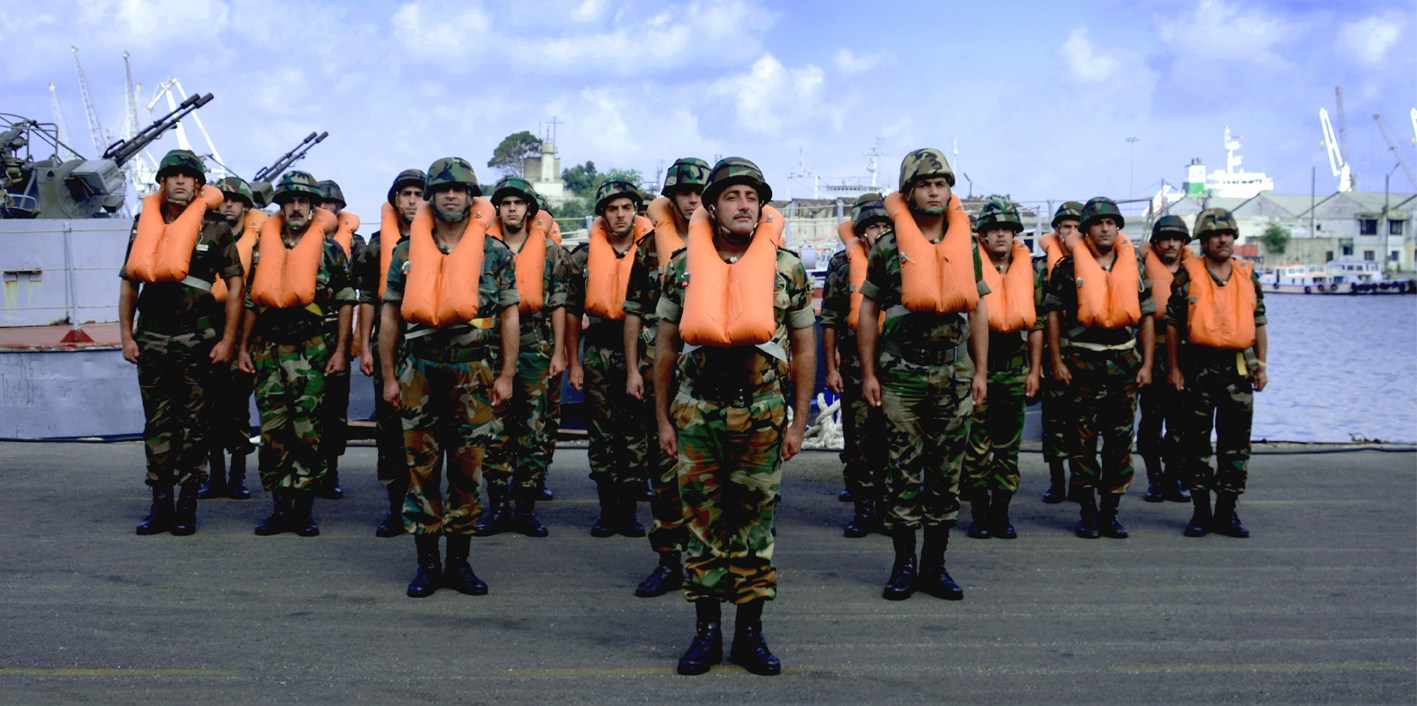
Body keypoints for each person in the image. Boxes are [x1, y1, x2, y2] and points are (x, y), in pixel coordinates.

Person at [653, 157, 813, 676]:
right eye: (731, 196)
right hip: (697, 413)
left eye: (751, 197)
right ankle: (705, 634)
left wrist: (797, 422)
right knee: (699, 528)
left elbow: (805, 352)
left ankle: (750, 636)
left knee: (753, 528)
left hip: (762, 415)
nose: (744, 205)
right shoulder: (682, 266)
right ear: (711, 206)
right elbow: (662, 350)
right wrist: (662, 421)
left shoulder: (787, 266)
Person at [377, 157, 518, 598]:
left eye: (460, 189)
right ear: (432, 198)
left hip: (473, 369)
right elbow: (389, 317)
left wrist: (507, 375)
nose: (451, 195)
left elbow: (510, 314)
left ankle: (459, 562)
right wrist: (388, 377)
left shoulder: (494, 252)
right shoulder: (405, 251)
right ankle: (426, 565)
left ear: (471, 197)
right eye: (443, 189)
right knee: (420, 468)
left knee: (466, 469)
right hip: (417, 369)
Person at [857, 149, 988, 602]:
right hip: (901, 375)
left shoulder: (966, 244)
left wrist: (981, 371)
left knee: (947, 474)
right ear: (908, 192)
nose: (935, 191)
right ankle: (903, 564)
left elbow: (979, 306)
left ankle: (935, 564)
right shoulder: (889, 246)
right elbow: (868, 309)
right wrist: (869, 373)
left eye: (942, 184)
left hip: (954, 373)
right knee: (901, 472)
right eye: (925, 184)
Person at [119, 149, 243, 536]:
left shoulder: (215, 227)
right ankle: (160, 504)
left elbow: (237, 285)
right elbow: (128, 282)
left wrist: (227, 340)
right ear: (162, 181)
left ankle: (188, 503)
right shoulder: (144, 224)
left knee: (193, 424)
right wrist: (126, 335)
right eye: (172, 175)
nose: (179, 181)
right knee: (157, 424)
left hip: (198, 343)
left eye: (187, 176)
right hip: (152, 340)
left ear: (198, 184)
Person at [237, 170, 355, 537]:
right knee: (273, 432)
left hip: (312, 352)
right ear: (280, 207)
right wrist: (242, 346)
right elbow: (250, 303)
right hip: (269, 351)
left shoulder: (330, 250)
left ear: (313, 206)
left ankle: (303, 510)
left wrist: (341, 350)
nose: (296, 207)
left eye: (303, 201)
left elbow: (346, 300)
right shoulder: (262, 249)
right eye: (289, 201)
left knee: (307, 431)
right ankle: (279, 508)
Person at [1043, 197, 1154, 539]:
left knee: (1120, 442)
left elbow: (1147, 316)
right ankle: (1087, 512)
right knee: (1081, 442)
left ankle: (1111, 512)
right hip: (1082, 364)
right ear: (1087, 230)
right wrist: (1057, 361)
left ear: (1118, 227)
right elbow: (1051, 315)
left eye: (1111, 222)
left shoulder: (1134, 265)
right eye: (1098, 223)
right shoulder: (1067, 267)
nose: (1105, 228)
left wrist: (1147, 363)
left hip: (1123, 364)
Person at [623, 157, 709, 596]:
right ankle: (669, 560)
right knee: (665, 466)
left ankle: (713, 562)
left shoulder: (736, 242)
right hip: (663, 365)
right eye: (683, 193)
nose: (692, 200)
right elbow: (634, 310)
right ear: (671, 197)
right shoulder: (649, 245)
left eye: (699, 193)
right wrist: (634, 369)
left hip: (715, 369)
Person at [1166, 208, 1268, 538]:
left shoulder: (1247, 277)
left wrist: (1261, 367)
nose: (1222, 239)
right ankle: (1200, 512)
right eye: (1214, 234)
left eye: (1227, 233)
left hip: (1238, 370)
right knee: (1195, 444)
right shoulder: (1186, 277)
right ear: (1203, 240)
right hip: (1198, 369)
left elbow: (1260, 323)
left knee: (1236, 445)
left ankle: (1227, 512)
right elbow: (1172, 326)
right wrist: (1175, 369)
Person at [479, 176, 568, 537]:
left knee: (533, 429)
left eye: (519, 202)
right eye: (506, 202)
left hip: (536, 343)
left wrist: (559, 351)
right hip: (491, 347)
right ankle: (498, 508)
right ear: (498, 208)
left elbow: (560, 304)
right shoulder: (482, 248)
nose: (512, 208)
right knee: (493, 428)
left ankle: (527, 509)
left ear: (530, 209)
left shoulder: (551, 251)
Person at [565, 180, 653, 538]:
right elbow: (571, 312)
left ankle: (629, 511)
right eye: (613, 208)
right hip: (598, 350)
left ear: (636, 211)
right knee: (601, 435)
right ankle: (606, 510)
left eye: (626, 208)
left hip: (640, 353)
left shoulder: (651, 252)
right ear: (603, 213)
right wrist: (573, 362)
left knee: (635, 433)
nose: (620, 215)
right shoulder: (583, 257)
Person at [962, 198, 1041, 540]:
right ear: (982, 235)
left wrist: (1035, 370)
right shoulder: (970, 269)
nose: (1001, 235)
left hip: (1014, 370)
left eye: (1007, 230)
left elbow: (1036, 325)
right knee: (976, 446)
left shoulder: (1030, 272)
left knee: (1008, 448)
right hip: (978, 371)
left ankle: (1001, 513)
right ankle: (979, 514)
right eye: (994, 229)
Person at [357, 169, 426, 536]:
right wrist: (363, 345)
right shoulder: (377, 245)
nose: (412, 200)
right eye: (406, 194)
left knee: (429, 431)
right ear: (395, 200)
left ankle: (427, 505)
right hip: (389, 344)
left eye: (419, 193)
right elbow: (369, 296)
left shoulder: (446, 239)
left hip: (429, 345)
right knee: (390, 429)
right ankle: (396, 506)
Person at [820, 194, 890, 537]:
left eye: (884, 225)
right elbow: (830, 317)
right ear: (861, 233)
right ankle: (864, 510)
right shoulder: (842, 264)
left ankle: (889, 511)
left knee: (893, 442)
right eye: (872, 226)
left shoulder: (903, 261)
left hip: (896, 364)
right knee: (860, 441)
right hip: (853, 366)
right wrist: (830, 368)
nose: (878, 232)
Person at [198, 175, 264, 502]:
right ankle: (217, 476)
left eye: (235, 200)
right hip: (208, 324)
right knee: (209, 405)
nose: (228, 204)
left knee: (238, 406)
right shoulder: (206, 236)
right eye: (223, 199)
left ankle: (238, 476)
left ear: (245, 206)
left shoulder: (260, 242)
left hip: (243, 327)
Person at [315, 179, 365, 500]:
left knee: (334, 408)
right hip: (302, 334)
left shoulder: (355, 245)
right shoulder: (292, 240)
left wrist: (357, 337)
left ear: (339, 208)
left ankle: (330, 470)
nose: (324, 208)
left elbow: (363, 291)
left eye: (329, 203)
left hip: (336, 332)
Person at [1138, 215, 1194, 503]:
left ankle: (1173, 478)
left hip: (1187, 353)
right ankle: (1154, 479)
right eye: (1165, 238)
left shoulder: (1196, 270)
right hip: (1153, 349)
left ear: (1184, 242)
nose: (1171, 243)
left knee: (1181, 422)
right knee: (1150, 420)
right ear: (1156, 242)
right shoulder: (1141, 268)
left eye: (1176, 238)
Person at [1034, 202, 1083, 503]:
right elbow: (1036, 316)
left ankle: (1081, 480)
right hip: (1054, 353)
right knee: (1053, 422)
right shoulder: (1041, 268)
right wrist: (1037, 362)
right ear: (1057, 231)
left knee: (1082, 422)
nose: (1073, 233)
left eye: (1078, 227)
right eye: (1067, 227)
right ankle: (1056, 480)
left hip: (1087, 354)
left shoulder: (1095, 264)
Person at [533, 191, 565, 502]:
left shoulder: (556, 255)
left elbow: (563, 307)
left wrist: (562, 352)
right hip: (509, 344)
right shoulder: (496, 251)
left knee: (548, 414)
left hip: (546, 345)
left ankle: (539, 470)